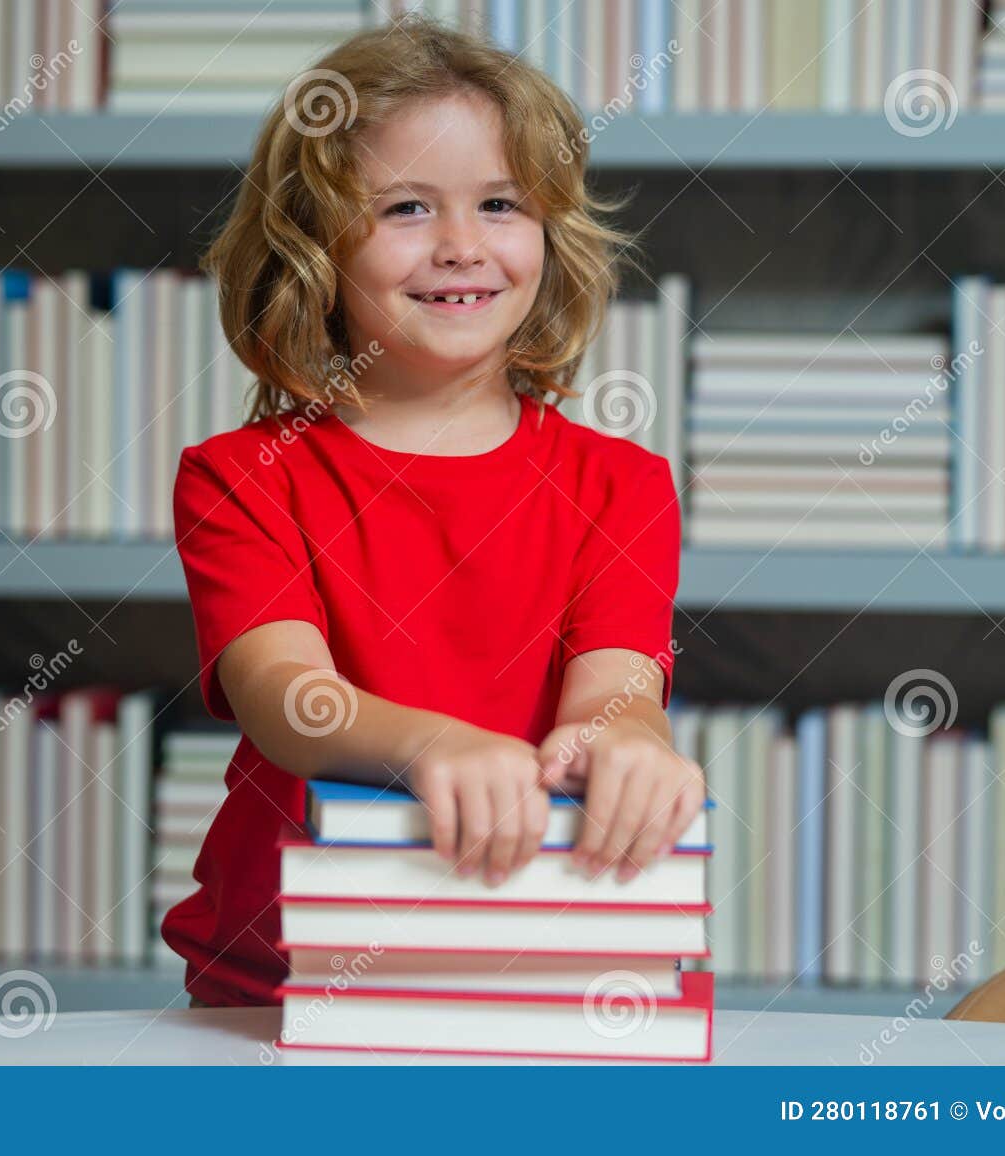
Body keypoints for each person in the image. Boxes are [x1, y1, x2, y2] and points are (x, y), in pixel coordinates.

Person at [165, 15, 704, 1009]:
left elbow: (613, 692)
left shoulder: (619, 484)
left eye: (500, 203)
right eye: (406, 208)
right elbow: (283, 693)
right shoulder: (246, 474)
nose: (462, 246)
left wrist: (631, 739)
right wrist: (432, 745)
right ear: (312, 246)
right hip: (281, 983)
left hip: (547, 972)